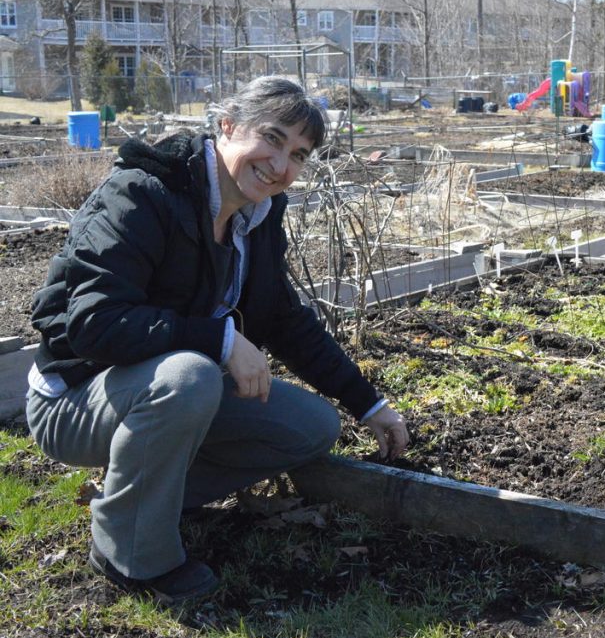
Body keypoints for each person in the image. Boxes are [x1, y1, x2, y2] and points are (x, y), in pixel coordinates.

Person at [25, 76, 409, 606]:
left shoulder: (259, 213)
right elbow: (94, 324)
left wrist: (370, 405)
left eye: (298, 155)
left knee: (310, 428)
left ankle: (138, 501)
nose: (281, 166)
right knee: (192, 375)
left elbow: (281, 318)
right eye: (272, 138)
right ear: (227, 125)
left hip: (160, 389)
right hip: (74, 396)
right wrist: (219, 339)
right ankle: (130, 554)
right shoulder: (142, 194)